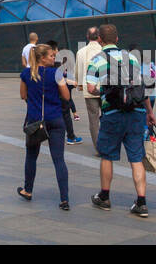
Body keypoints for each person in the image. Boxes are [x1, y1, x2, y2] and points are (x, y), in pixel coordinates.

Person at [87, 24, 155, 217]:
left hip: (112, 114)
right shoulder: (131, 58)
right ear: (117, 39)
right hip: (136, 112)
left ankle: (105, 197)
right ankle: (141, 202)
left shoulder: (97, 59)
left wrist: (105, 91)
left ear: (99, 40)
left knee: (107, 156)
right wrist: (149, 112)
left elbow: (91, 88)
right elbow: (141, 88)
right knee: (136, 158)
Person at [19, 43, 71, 209]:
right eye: (51, 56)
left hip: (35, 121)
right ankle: (64, 199)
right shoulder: (56, 73)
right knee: (58, 159)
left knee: (31, 156)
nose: (53, 58)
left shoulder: (27, 73)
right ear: (42, 58)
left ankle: (28, 190)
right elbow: (66, 96)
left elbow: (22, 95)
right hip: (55, 119)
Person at [48, 41, 83, 145]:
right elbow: (61, 79)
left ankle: (51, 134)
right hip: (60, 92)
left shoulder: (47, 63)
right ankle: (71, 137)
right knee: (66, 114)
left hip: (52, 94)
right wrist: (75, 83)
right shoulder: (56, 63)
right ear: (54, 50)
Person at [75, 27, 104, 150]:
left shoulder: (81, 52)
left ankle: (98, 148)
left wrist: (80, 86)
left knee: (93, 120)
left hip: (89, 89)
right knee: (108, 117)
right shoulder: (104, 50)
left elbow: (77, 72)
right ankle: (110, 144)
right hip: (105, 89)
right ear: (99, 37)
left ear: (87, 37)